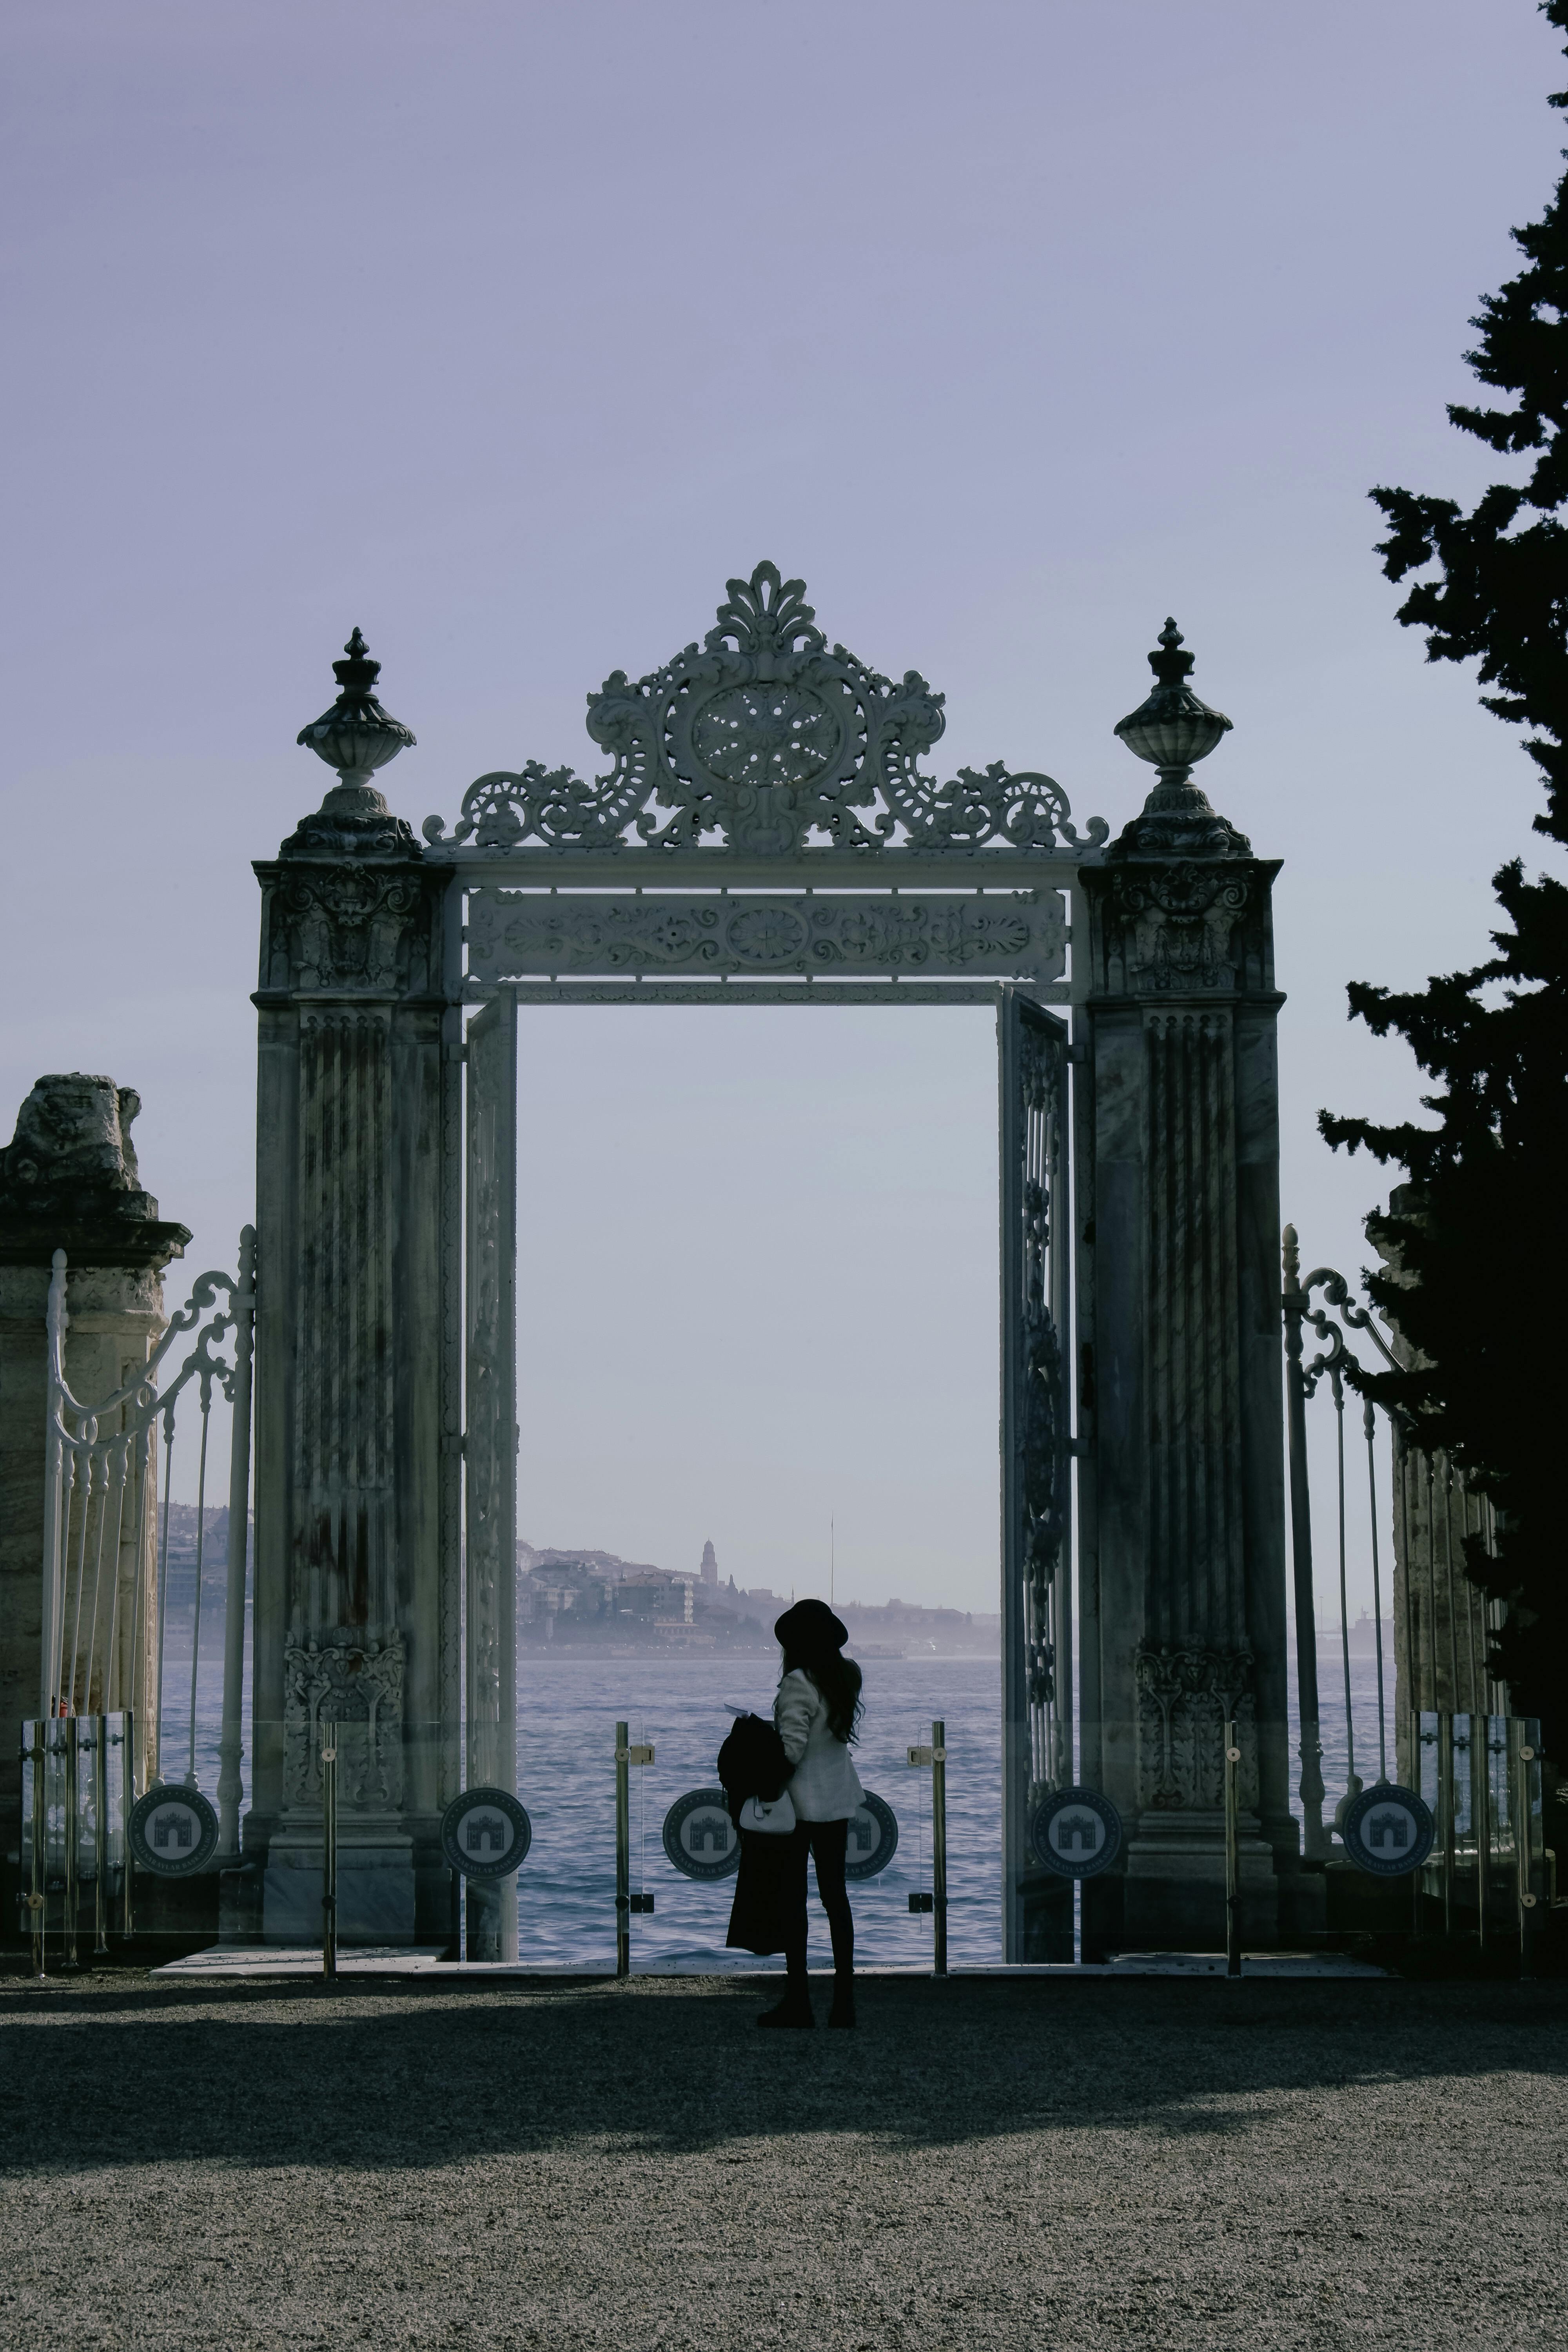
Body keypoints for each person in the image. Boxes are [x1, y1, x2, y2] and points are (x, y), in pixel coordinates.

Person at [757, 1598, 864, 2031]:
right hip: (837, 1800)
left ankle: (798, 2001)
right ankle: (844, 2002)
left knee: (793, 1903)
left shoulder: (798, 1682)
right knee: (835, 1898)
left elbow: (792, 1750)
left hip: (799, 1807)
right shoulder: (845, 1676)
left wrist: (763, 1780)